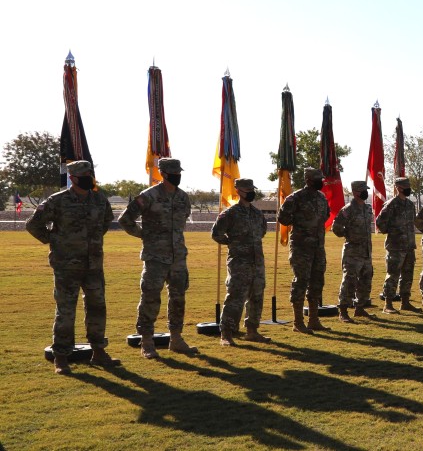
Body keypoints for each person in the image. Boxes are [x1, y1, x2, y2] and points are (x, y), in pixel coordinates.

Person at [26, 160, 119, 374]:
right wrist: (54, 241)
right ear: (74, 178)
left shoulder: (99, 199)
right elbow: (33, 224)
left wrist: (91, 241)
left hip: (94, 264)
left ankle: (98, 351)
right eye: (85, 174)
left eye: (90, 173)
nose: (89, 177)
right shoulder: (57, 201)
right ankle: (61, 356)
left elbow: (106, 222)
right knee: (66, 310)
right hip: (66, 265)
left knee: (97, 308)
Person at [119, 157, 198, 358]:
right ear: (162, 174)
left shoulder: (182, 197)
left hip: (178, 257)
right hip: (155, 258)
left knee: (178, 298)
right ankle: (147, 341)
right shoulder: (148, 196)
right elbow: (125, 219)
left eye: (179, 172)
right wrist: (143, 234)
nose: (177, 176)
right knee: (151, 298)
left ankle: (176, 339)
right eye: (173, 173)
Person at [210, 178, 270, 346]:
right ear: (238, 191)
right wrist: (231, 243)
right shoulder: (230, 214)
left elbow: (262, 232)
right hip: (239, 263)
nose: (251, 192)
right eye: (247, 190)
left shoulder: (258, 214)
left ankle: (252, 330)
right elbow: (216, 234)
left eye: (252, 189)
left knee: (257, 296)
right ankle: (226, 333)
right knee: (236, 296)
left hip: (257, 261)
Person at [277, 167, 331, 333]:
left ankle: (313, 320)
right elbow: (283, 218)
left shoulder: (321, 198)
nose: (321, 181)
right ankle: (298, 322)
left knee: (317, 283)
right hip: (301, 248)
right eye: (317, 179)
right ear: (308, 180)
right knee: (301, 282)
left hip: (318, 247)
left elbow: (326, 215)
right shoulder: (295, 198)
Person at [332, 181, 374, 323]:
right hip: (352, 252)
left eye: (365, 189)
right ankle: (343, 311)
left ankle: (360, 308)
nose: (365, 192)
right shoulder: (348, 209)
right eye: (362, 190)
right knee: (349, 281)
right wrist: (348, 235)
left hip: (366, 251)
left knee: (365, 280)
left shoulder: (368, 208)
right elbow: (336, 227)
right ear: (355, 192)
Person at [376, 177, 418, 313]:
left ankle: (405, 302)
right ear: (398, 188)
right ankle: (388, 304)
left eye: (408, 185)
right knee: (393, 275)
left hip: (409, 246)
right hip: (395, 246)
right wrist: (392, 232)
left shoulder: (410, 205)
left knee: (407, 275)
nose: (408, 188)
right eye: (405, 186)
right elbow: (380, 222)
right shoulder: (391, 204)